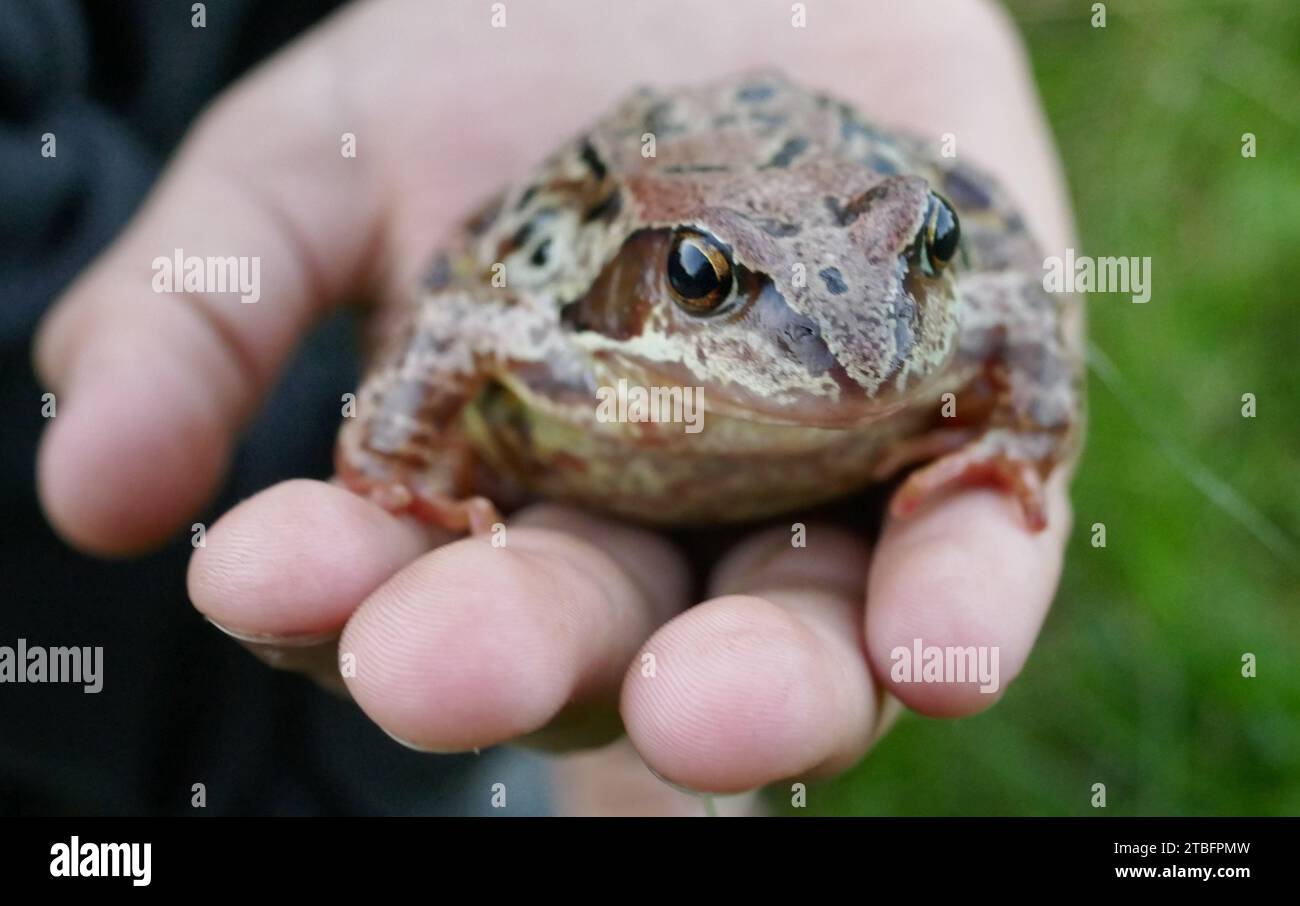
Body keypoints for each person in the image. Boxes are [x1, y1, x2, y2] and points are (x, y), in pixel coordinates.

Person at [9, 0, 1078, 815]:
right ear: (673, 283)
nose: (862, 355)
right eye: (710, 284)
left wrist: (1023, 433)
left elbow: (1012, 299)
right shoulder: (569, 348)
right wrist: (395, 459)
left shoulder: (950, 319)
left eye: (924, 254)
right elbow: (468, 322)